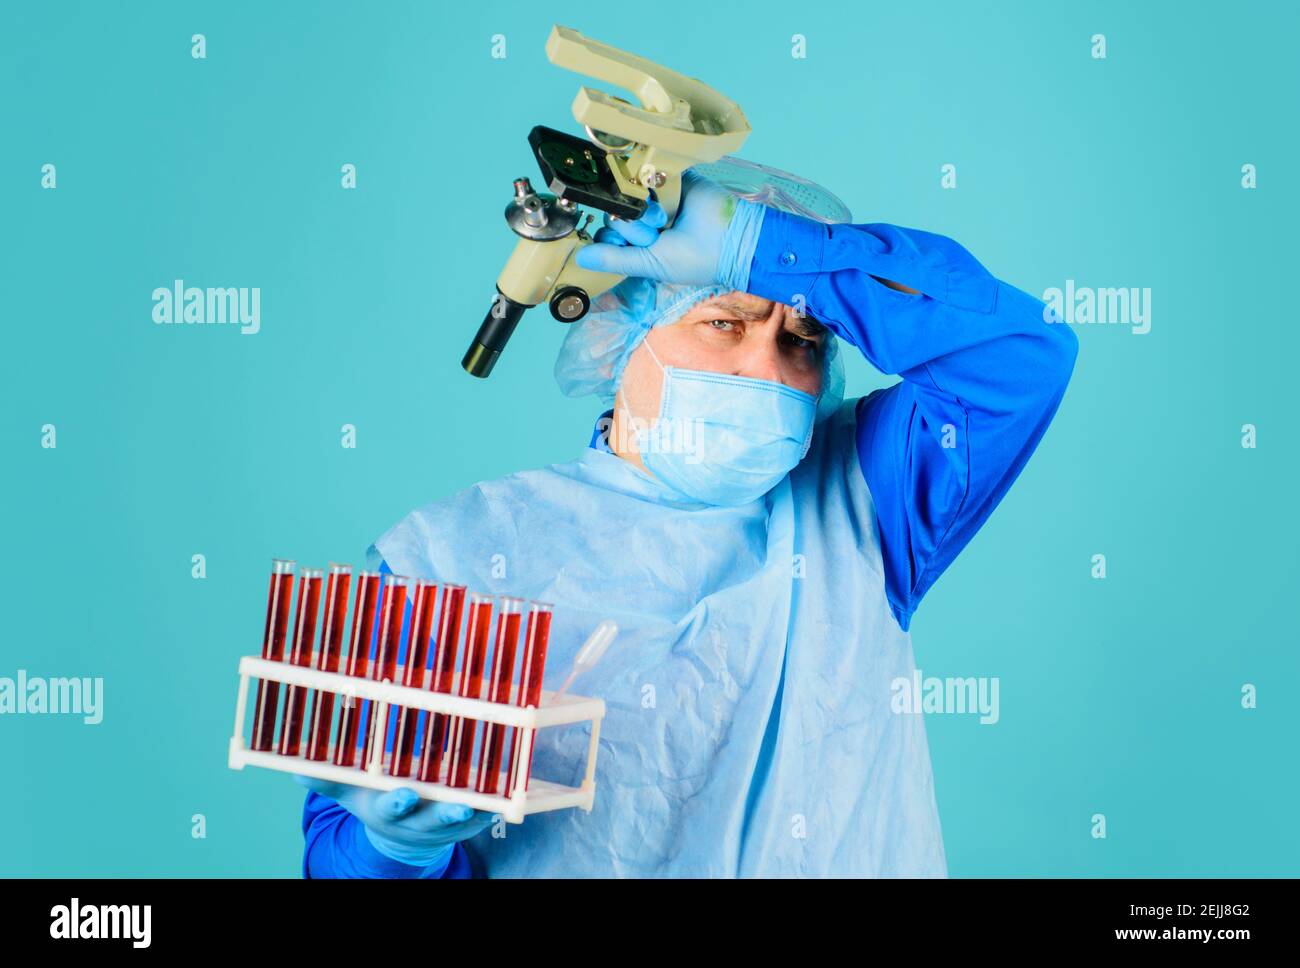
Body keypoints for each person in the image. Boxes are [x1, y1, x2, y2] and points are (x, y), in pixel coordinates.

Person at [299, 166, 1078, 878]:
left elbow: (1022, 356)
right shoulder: (449, 557)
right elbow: (338, 851)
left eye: (803, 342)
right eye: (725, 324)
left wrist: (757, 247)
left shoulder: (866, 496)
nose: (767, 370)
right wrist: (396, 849)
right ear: (624, 331)